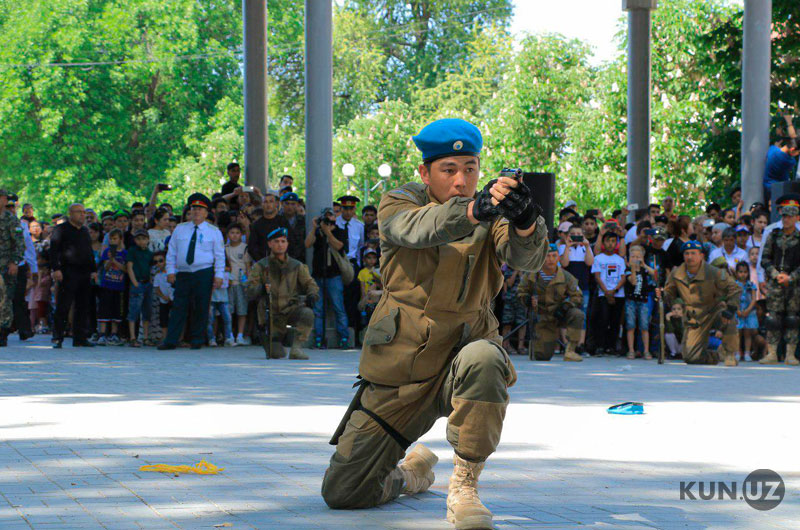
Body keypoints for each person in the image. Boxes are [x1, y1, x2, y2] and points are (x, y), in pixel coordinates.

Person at [321, 118, 548, 530]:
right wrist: (475, 210)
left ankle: (464, 487)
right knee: (343, 492)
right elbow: (416, 228)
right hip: (403, 372)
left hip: (463, 357)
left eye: (470, 168)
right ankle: (413, 473)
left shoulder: (492, 213)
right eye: (449, 170)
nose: (462, 180)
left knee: (485, 358)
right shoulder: (399, 202)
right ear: (425, 172)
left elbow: (527, 259)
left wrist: (526, 220)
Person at [159, 193, 225, 350]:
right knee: (178, 306)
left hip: (204, 271)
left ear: (206, 212)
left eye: (200, 209)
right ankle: (171, 340)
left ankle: (197, 339)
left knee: (201, 306)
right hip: (183, 272)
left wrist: (219, 275)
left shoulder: (213, 231)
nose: (196, 212)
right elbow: (172, 252)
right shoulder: (180, 229)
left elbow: (220, 255)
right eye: (194, 209)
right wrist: (170, 271)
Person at [662, 240, 741, 365]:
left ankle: (729, 353)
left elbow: (735, 288)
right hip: (694, 317)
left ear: (701, 256)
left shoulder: (713, 271)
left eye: (693, 253)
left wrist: (731, 307)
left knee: (728, 317)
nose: (690, 257)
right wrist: (662, 294)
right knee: (690, 358)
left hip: (714, 310)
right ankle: (714, 355)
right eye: (686, 253)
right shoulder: (676, 273)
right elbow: (669, 294)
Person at [246, 228, 318, 359]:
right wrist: (261, 289)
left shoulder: (296, 266)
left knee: (307, 314)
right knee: (276, 354)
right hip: (270, 315)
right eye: (276, 241)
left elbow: (310, 283)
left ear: (287, 244)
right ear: (270, 244)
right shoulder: (261, 266)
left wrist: (312, 294)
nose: (280, 244)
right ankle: (276, 342)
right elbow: (249, 289)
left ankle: (296, 348)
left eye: (283, 241)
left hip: (290, 309)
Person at [517, 244, 584, 361]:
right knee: (542, 356)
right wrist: (528, 300)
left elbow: (577, 296)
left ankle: (571, 350)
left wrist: (565, 307)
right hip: (542, 318)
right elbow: (520, 292)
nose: (551, 259)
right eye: (547, 256)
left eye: (554, 256)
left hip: (560, 314)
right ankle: (537, 344)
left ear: (558, 257)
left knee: (577, 314)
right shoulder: (531, 276)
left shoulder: (567, 277)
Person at [49, 203, 97, 348]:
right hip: (67, 272)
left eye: (83, 212)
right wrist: (56, 268)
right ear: (71, 213)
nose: (82, 215)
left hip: (84, 273)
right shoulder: (61, 229)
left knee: (83, 306)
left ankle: (80, 338)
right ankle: (58, 337)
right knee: (64, 306)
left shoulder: (84, 231)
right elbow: (53, 250)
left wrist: (93, 270)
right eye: (79, 212)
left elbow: (89, 252)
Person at [758, 201, 800, 365]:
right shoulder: (773, 235)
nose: (786, 220)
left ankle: (790, 354)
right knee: (773, 319)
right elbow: (765, 259)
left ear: (796, 218)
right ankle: (772, 353)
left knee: (792, 318)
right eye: (784, 216)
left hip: (794, 284)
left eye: (789, 216)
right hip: (775, 283)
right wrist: (775, 275)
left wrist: (791, 277)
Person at [305, 207, 349, 349]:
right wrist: (314, 228)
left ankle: (344, 338)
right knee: (318, 309)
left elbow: (339, 246)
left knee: (338, 307)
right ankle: (319, 338)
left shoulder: (340, 231)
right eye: (327, 216)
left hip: (334, 276)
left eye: (331, 215)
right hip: (318, 276)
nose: (329, 218)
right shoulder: (318, 232)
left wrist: (328, 232)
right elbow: (307, 244)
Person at [588, 231, 626, 355]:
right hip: (603, 294)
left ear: (617, 243)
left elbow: (623, 277)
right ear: (603, 243)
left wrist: (614, 291)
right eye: (608, 241)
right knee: (602, 320)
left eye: (613, 241)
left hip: (618, 295)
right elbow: (597, 276)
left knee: (615, 321)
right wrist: (607, 292)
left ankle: (612, 346)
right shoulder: (598, 258)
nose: (610, 244)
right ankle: (600, 346)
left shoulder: (620, 259)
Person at [0, 189, 25, 346]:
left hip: (4, 265)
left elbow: (19, 244)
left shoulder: (10, 220)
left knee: (5, 299)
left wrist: (14, 262)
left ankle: (2, 332)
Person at [96, 229, 127, 346]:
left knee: (116, 309)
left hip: (118, 285)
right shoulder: (107, 251)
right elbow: (106, 267)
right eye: (111, 238)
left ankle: (114, 334)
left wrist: (115, 261)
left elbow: (125, 269)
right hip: (107, 284)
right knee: (104, 308)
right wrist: (110, 260)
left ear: (120, 240)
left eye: (115, 238)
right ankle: (102, 334)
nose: (112, 241)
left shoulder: (124, 253)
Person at [625, 245, 655, 360]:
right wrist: (633, 268)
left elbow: (655, 275)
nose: (635, 258)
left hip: (643, 300)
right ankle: (631, 350)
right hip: (631, 300)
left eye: (638, 256)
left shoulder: (645, 270)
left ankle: (646, 350)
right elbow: (633, 282)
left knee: (644, 326)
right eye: (633, 256)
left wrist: (645, 265)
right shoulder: (627, 270)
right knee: (631, 325)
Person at [126, 230, 154, 347]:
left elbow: (152, 267)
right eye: (138, 239)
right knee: (134, 311)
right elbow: (129, 266)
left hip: (148, 284)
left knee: (147, 311)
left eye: (143, 238)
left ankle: (145, 337)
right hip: (138, 283)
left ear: (148, 240)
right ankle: (133, 337)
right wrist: (134, 282)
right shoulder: (132, 251)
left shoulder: (149, 253)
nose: (141, 241)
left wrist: (151, 279)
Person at [225, 223, 252, 345]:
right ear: (228, 235)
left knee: (242, 310)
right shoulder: (224, 248)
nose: (234, 235)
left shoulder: (245, 247)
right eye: (232, 233)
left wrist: (249, 282)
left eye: (237, 233)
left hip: (241, 282)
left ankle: (240, 335)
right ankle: (229, 335)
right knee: (228, 310)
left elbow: (248, 266)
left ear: (241, 235)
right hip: (229, 283)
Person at [247, 191, 290, 262]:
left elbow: (291, 241)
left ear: (276, 204)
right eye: (265, 202)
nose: (268, 204)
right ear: (262, 204)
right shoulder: (256, 224)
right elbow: (252, 248)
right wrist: (263, 263)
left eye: (271, 201)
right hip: (264, 264)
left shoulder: (283, 221)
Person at [733, 262, 758, 362]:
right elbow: (733, 299)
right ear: (736, 273)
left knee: (748, 333)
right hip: (737, 311)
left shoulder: (751, 285)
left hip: (749, 312)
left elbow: (753, 299)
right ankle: (738, 352)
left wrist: (748, 310)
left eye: (745, 272)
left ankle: (747, 353)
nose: (743, 274)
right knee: (737, 333)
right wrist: (737, 310)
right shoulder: (734, 285)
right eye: (740, 272)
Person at [763, 137, 800, 204]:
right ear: (792, 149)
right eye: (798, 152)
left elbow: (775, 147)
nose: (797, 154)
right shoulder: (790, 161)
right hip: (778, 189)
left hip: (767, 186)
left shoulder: (772, 149)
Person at [207, 266, 234, 347]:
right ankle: (211, 339)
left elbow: (230, 283)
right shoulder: (210, 272)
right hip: (212, 298)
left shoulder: (226, 272)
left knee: (227, 319)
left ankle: (228, 338)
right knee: (210, 320)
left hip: (223, 298)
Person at [280, 192, 306, 262]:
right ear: (282, 204)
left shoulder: (303, 220)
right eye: (287, 203)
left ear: (297, 205)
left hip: (300, 260)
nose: (290, 207)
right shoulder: (277, 220)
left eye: (293, 204)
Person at [152, 251, 172, 339]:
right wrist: (163, 297)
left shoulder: (173, 273)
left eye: (160, 260)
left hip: (174, 299)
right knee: (164, 320)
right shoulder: (157, 276)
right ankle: (165, 338)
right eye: (156, 262)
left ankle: (179, 339)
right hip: (163, 300)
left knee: (176, 318)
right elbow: (157, 288)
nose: (158, 263)